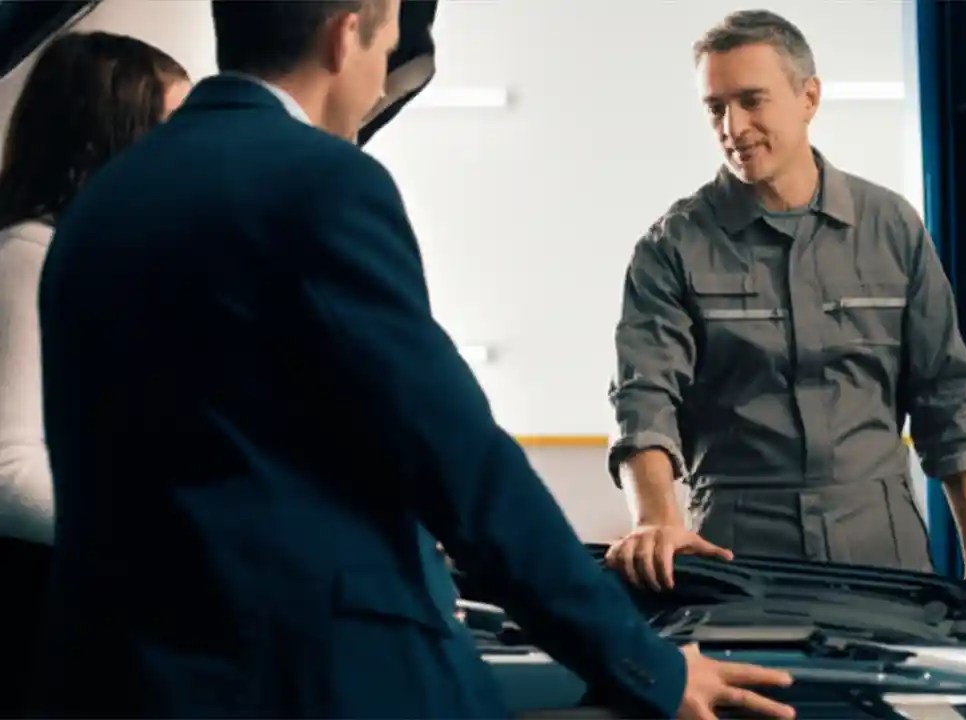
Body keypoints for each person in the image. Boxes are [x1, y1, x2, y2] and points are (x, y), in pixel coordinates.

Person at [30, 2, 795, 719]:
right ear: (345, 34)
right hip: (312, 680)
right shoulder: (323, 183)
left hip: (114, 679)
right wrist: (646, 665)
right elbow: (464, 468)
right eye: (389, 46)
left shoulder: (100, 207)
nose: (379, 79)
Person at [604, 10, 966, 595]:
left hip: (881, 539)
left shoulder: (890, 227)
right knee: (753, 687)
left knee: (895, 688)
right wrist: (656, 518)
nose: (733, 125)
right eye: (715, 107)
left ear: (809, 97)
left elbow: (944, 393)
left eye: (752, 100)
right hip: (738, 543)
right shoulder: (674, 245)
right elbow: (644, 397)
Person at [0, 30, 189, 717]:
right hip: (34, 622)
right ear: (109, 140)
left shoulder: (86, 262)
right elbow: (9, 473)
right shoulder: (29, 257)